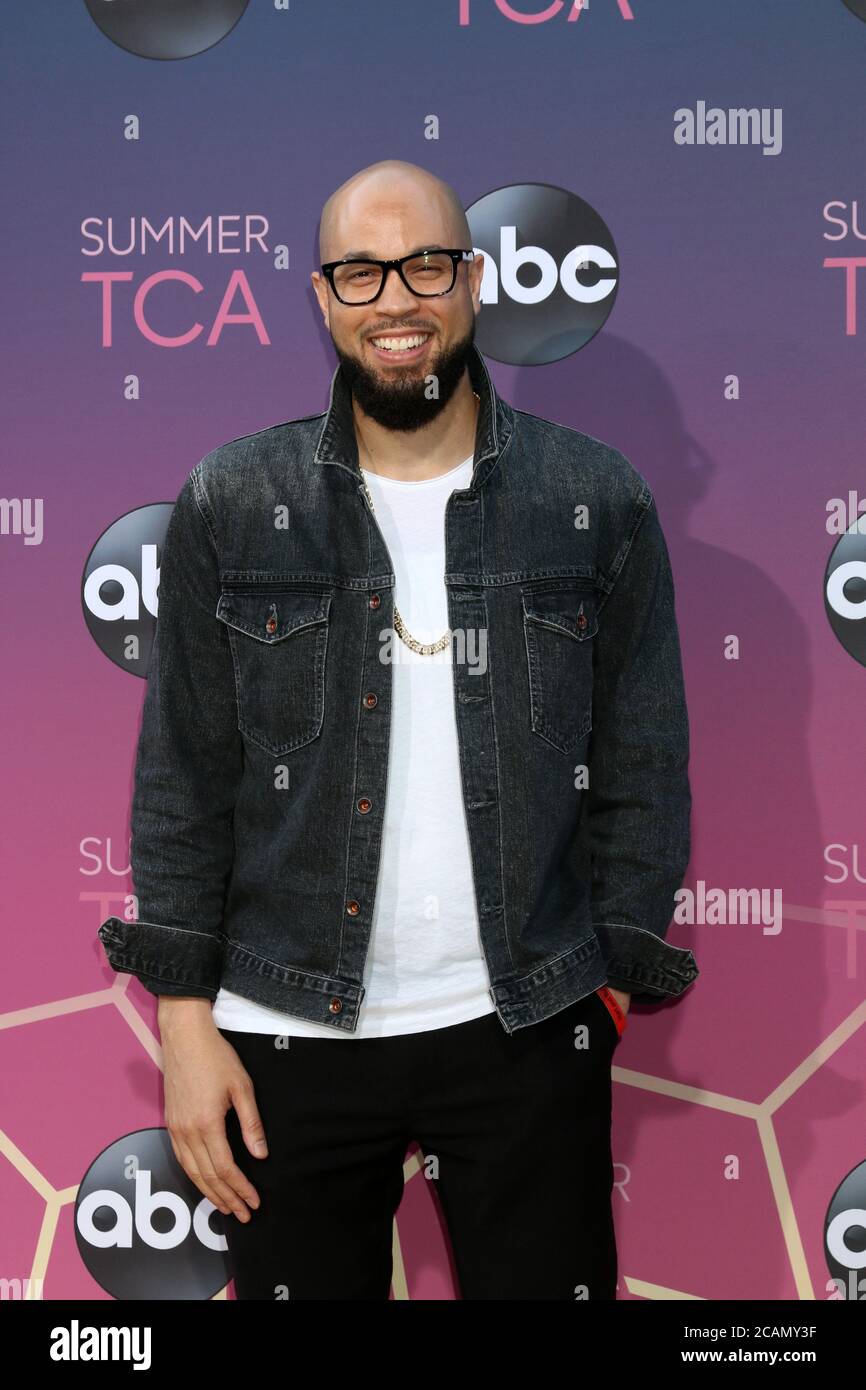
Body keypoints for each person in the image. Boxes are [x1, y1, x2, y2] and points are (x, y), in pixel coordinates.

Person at [97, 158, 698, 1300]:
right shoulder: (233, 499)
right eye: (360, 273)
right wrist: (185, 1022)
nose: (394, 300)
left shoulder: (593, 497)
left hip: (524, 1023)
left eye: (423, 264)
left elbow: (641, 759)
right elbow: (184, 770)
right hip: (284, 1037)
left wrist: (606, 984)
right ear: (321, 298)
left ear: (470, 281)